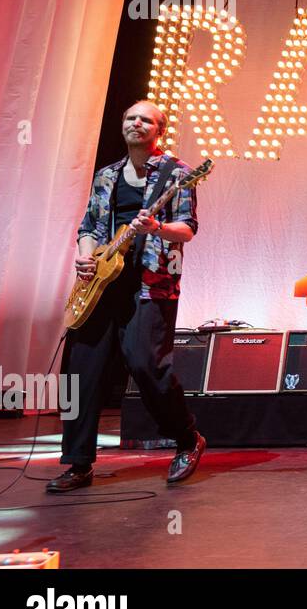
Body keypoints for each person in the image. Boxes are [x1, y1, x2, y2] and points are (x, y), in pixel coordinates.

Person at [49, 101, 205, 492]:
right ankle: (78, 462)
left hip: (150, 286)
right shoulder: (106, 176)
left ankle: (188, 439)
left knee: (147, 367)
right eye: (130, 118)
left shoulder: (177, 175)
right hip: (100, 284)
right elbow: (88, 226)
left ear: (159, 130)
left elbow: (187, 230)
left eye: (146, 120)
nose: (136, 123)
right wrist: (85, 258)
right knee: (79, 373)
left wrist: (156, 226)